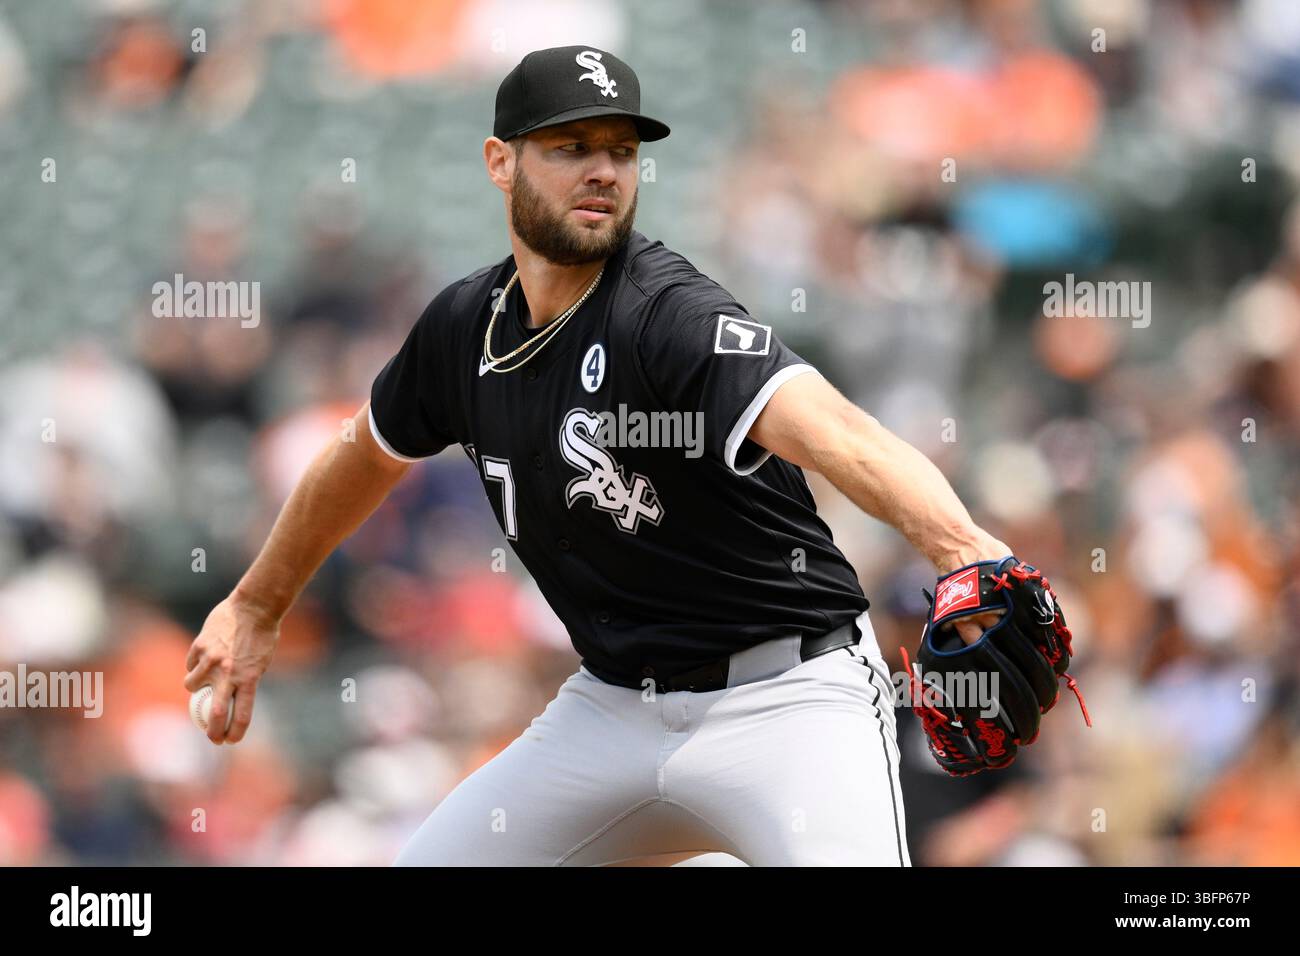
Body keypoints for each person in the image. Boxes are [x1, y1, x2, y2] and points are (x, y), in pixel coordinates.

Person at [184, 45, 1009, 866]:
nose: (604, 170)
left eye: (620, 149)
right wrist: (259, 604)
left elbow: (839, 432)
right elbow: (363, 454)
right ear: (499, 163)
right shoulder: (461, 329)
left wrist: (963, 549)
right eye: (570, 147)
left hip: (787, 701)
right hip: (612, 707)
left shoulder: (667, 314)